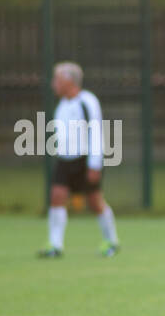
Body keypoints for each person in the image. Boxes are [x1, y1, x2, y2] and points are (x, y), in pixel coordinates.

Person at [39, 62, 119, 258]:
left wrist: (94, 164)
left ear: (69, 81)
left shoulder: (87, 101)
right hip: (65, 160)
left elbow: (96, 132)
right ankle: (55, 245)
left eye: (57, 80)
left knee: (94, 202)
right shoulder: (62, 105)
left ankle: (112, 241)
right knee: (56, 197)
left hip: (85, 160)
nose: (53, 84)